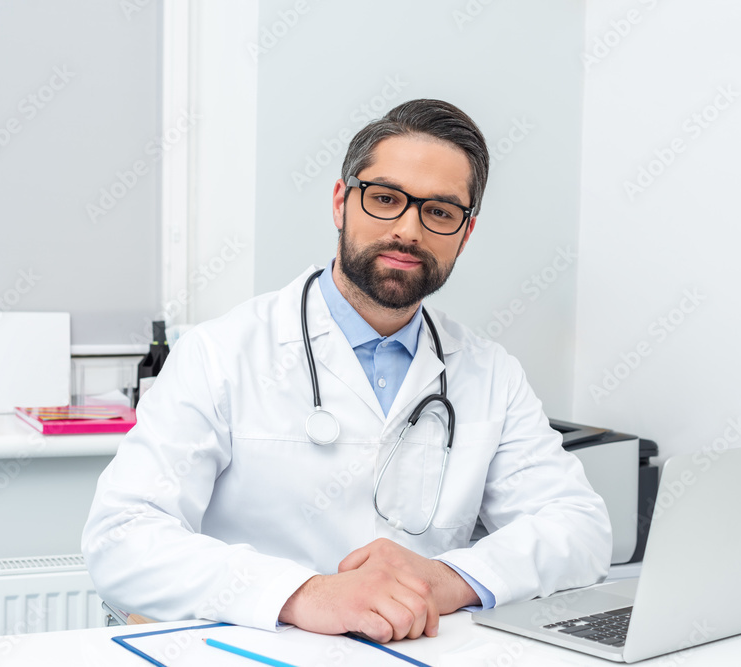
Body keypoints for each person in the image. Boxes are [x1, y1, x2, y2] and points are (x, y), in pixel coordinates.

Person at [82, 98, 612, 643]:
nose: (409, 229)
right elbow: (121, 537)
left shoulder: (489, 374)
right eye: (385, 198)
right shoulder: (222, 353)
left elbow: (580, 528)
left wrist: (447, 579)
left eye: (441, 211)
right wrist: (303, 593)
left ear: (465, 232)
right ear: (341, 203)